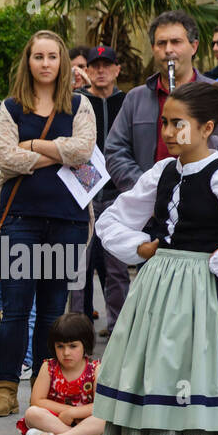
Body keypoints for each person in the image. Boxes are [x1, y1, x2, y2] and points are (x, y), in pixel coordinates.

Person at [93, 81, 218, 435]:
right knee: (175, 413)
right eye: (167, 123)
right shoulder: (161, 173)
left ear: (207, 128)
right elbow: (112, 218)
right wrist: (144, 248)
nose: (170, 132)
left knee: (199, 409)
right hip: (162, 294)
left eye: (179, 124)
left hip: (205, 301)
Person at [0, 30, 96, 419]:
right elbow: (4, 157)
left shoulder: (80, 105)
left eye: (53, 56)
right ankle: (5, 387)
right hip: (20, 220)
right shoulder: (11, 107)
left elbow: (83, 151)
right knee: (15, 308)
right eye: (39, 57)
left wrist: (32, 147)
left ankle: (42, 389)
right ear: (28, 61)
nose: (46, 63)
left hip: (67, 220)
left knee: (52, 313)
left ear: (62, 62)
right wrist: (58, 153)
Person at [106, 10, 218, 195]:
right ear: (153, 48)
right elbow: (115, 150)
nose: (168, 50)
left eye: (176, 42)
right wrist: (144, 190)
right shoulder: (135, 97)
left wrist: (200, 140)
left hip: (206, 203)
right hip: (149, 208)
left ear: (194, 46)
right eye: (161, 43)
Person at [76, 45, 128, 335]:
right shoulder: (78, 101)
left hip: (119, 195)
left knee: (117, 268)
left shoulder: (128, 102)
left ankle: (119, 329)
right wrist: (88, 184)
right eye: (94, 65)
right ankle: (77, 331)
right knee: (79, 267)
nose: (100, 70)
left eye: (106, 65)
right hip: (83, 194)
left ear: (117, 69)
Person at [18, 312, 104, 435]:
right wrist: (65, 412)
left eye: (73, 346)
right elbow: (37, 401)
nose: (66, 353)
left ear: (85, 344)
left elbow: (101, 405)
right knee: (32, 413)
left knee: (103, 419)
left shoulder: (95, 369)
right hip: (56, 420)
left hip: (84, 420)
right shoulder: (49, 367)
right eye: (60, 346)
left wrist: (73, 413)